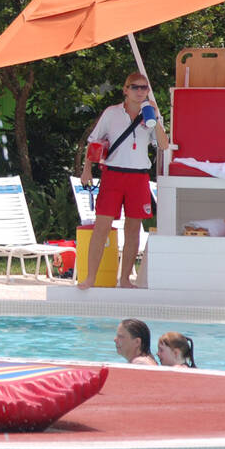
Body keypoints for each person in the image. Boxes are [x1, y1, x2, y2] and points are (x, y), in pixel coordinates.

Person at [79, 72, 168, 290]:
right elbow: (94, 143)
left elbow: (164, 145)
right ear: (125, 90)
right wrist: (87, 170)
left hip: (138, 176)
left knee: (133, 228)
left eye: (144, 88)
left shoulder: (151, 114)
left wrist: (155, 118)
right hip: (113, 174)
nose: (140, 92)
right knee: (102, 226)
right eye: (135, 87)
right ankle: (90, 277)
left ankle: (126, 279)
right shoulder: (112, 113)